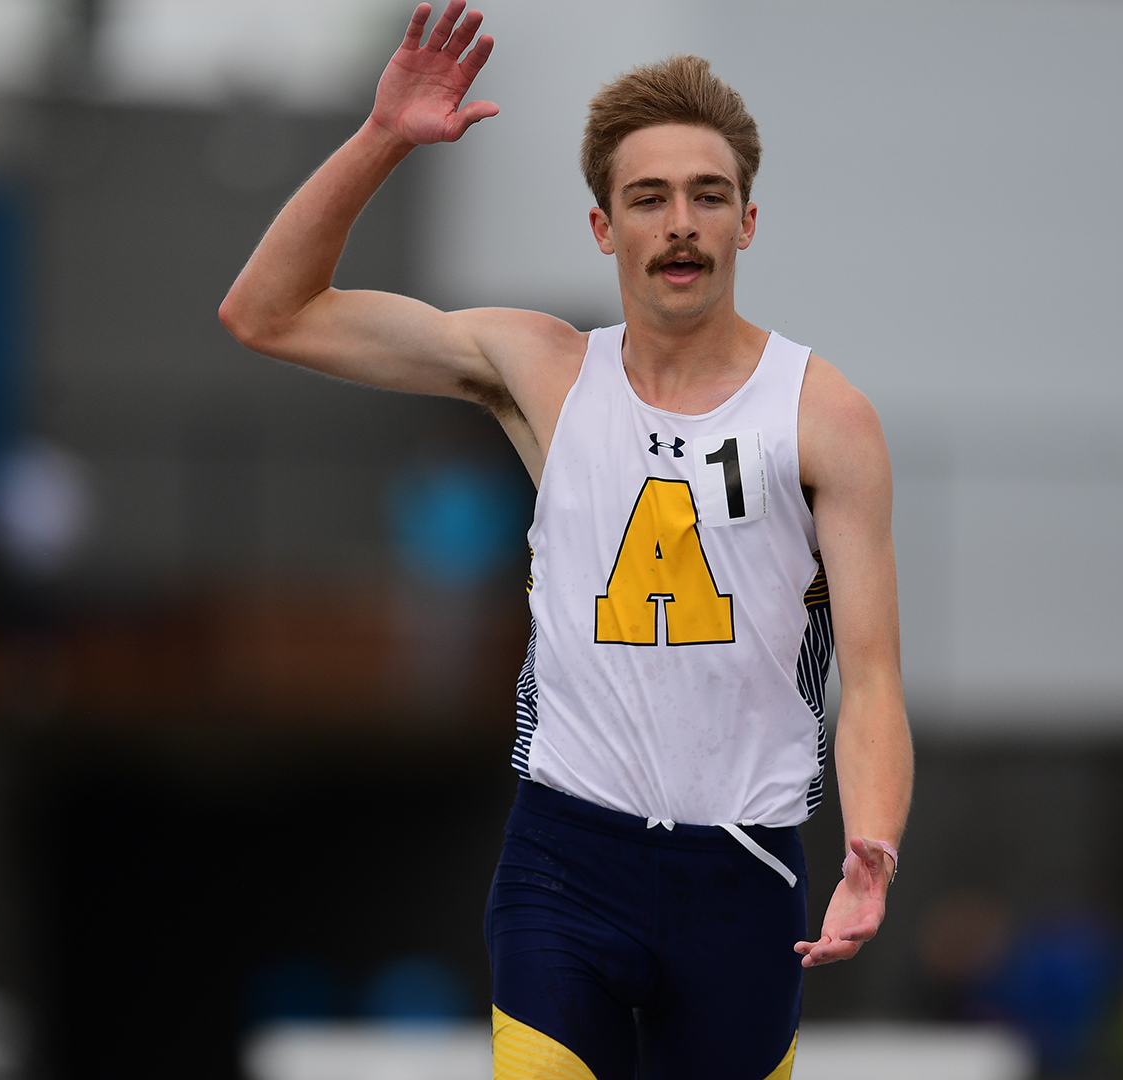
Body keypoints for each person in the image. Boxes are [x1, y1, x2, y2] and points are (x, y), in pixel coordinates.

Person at [218, 5, 913, 1077]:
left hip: (742, 874)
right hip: (568, 857)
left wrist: (875, 850)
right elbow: (267, 313)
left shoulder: (825, 417)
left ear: (747, 221)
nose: (679, 222)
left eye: (707, 196)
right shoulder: (540, 370)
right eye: (648, 198)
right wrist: (384, 138)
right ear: (604, 228)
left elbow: (868, 677)